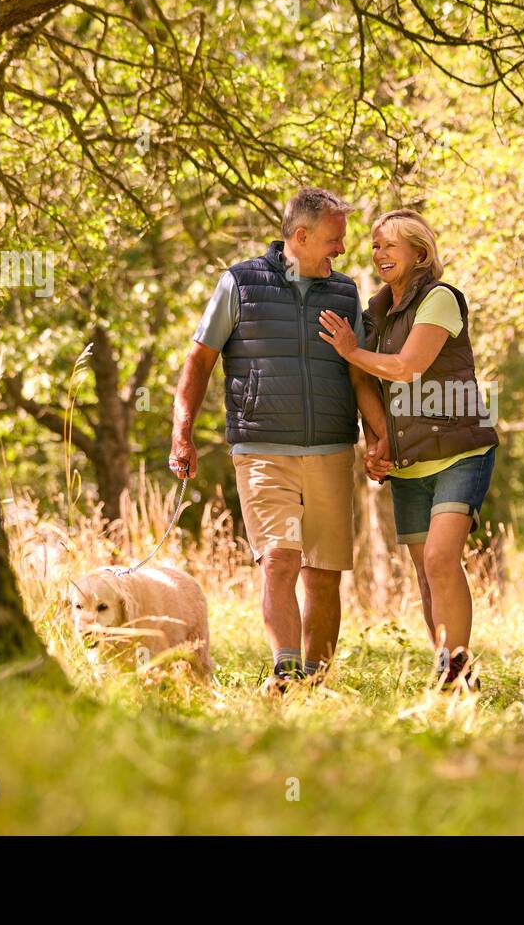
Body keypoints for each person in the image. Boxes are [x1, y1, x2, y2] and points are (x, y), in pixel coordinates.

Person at [170, 188, 388, 694]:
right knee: (280, 559)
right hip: (263, 448)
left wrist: (378, 438)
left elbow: (359, 374)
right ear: (302, 235)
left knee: (324, 574)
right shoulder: (240, 283)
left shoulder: (344, 293)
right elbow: (199, 360)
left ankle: (317, 680)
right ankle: (286, 673)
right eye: (335, 238)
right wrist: (182, 432)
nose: (342, 248)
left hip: (333, 449)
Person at [317, 209, 498, 689]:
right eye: (375, 246)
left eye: (389, 245)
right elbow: (364, 383)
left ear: (420, 253)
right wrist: (378, 440)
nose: (379, 255)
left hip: (461, 450)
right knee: (424, 574)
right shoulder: (375, 312)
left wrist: (351, 349)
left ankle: (455, 668)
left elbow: (406, 367)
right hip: (410, 462)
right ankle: (453, 673)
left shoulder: (439, 299)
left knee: (441, 558)